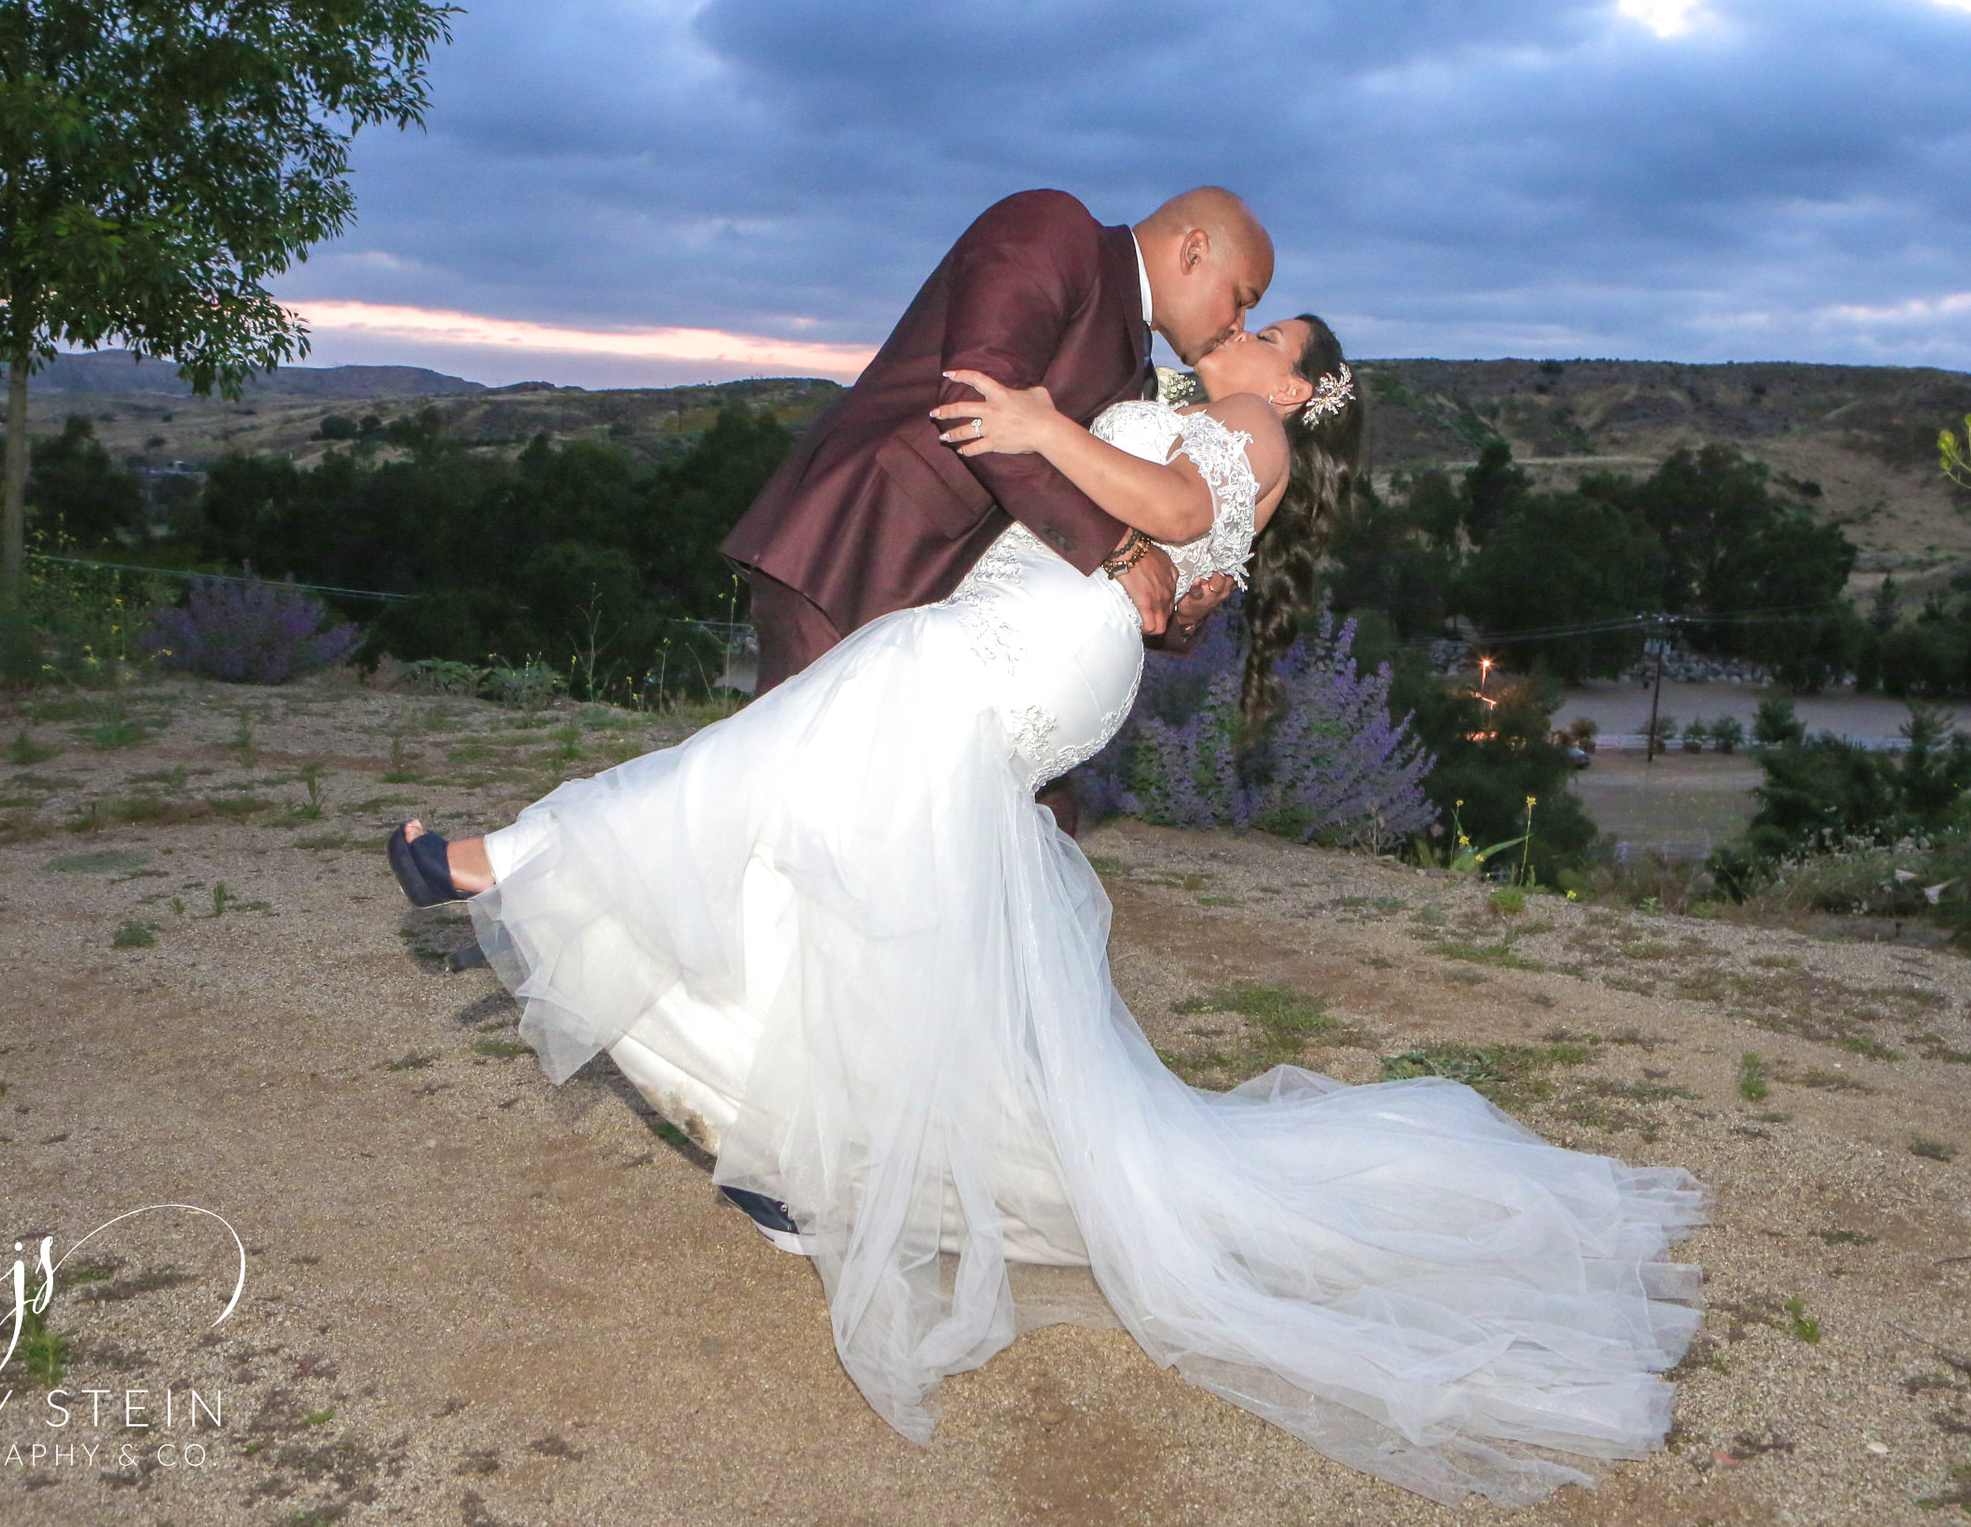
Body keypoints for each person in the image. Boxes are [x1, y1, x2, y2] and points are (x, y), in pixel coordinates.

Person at [382, 318, 1706, 1509]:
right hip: (1049, 630)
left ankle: (517, 853)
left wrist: (1040, 427)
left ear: (1297, 386)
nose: (1238, 331)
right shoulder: (1193, 395)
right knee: (833, 861)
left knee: (817, 735)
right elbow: (1165, 534)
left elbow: (1181, 498)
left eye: (1266, 333)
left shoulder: (1247, 430)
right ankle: (800, 1157)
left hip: (1041, 643)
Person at [719, 185, 1270, 828]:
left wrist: (1182, 615)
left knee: (888, 836)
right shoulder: (1054, 227)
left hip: (952, 618)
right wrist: (1120, 549)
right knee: (787, 808)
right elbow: (974, 402)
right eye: (1243, 298)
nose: (1238, 324)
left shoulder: (1138, 371)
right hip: (862, 547)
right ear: (1195, 250)